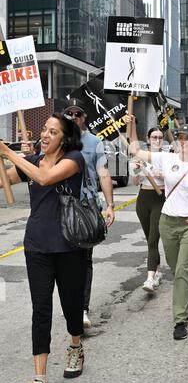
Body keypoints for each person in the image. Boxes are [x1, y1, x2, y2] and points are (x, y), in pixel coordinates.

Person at [0, 113, 87, 383]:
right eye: (44, 130)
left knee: (71, 304)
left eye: (52, 131)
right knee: (41, 308)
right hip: (36, 245)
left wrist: (9, 153)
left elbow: (46, 178)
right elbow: (6, 180)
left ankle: (75, 345)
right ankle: (40, 376)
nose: (45, 135)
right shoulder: (33, 161)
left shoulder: (73, 160)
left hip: (68, 245)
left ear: (64, 138)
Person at [125, 116, 188, 341]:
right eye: (180, 138)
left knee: (183, 271)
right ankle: (184, 297)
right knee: (176, 270)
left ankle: (180, 320)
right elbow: (136, 151)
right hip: (168, 222)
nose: (184, 142)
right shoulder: (166, 158)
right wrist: (132, 126)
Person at [64, 98, 115, 328]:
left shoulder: (95, 142)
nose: (74, 117)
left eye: (78, 114)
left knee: (84, 259)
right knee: (64, 260)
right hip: (62, 206)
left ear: (84, 117)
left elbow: (103, 173)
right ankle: (71, 304)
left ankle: (82, 308)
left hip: (86, 207)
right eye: (70, 114)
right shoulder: (60, 139)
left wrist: (110, 205)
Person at [130, 127, 165, 292]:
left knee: (153, 240)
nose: (157, 140)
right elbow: (136, 181)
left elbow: (173, 177)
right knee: (150, 239)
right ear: (148, 138)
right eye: (154, 137)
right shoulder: (140, 156)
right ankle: (157, 270)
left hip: (160, 199)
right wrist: (137, 168)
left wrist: (161, 174)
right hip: (143, 199)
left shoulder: (167, 156)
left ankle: (150, 278)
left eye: (160, 137)